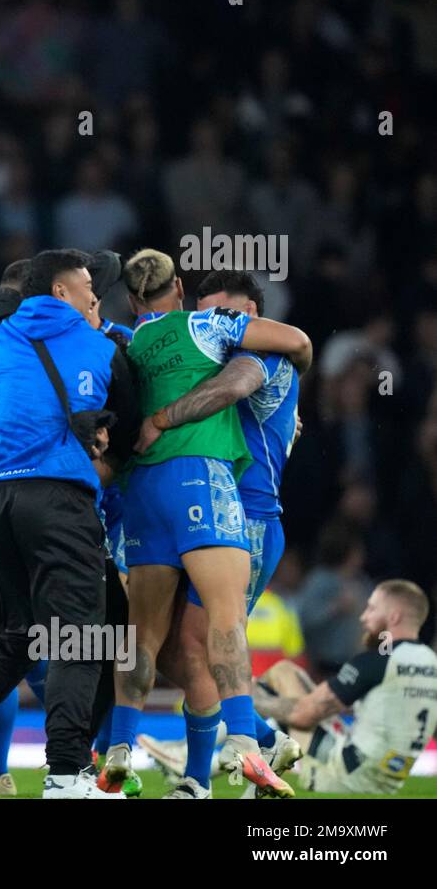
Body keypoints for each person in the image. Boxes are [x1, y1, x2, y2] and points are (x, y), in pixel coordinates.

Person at [0, 248, 140, 798]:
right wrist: (101, 431)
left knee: (24, 631)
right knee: (81, 638)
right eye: (87, 287)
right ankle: (64, 774)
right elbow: (129, 432)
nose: (94, 296)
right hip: (59, 501)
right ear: (61, 293)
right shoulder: (104, 347)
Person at [103, 249, 311, 797]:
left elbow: (264, 364)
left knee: (194, 643)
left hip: (249, 515)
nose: (217, 324)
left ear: (251, 312)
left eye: (227, 314)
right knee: (177, 649)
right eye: (204, 308)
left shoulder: (260, 360)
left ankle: (233, 755)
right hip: (206, 506)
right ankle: (248, 746)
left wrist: (161, 418)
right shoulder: (199, 341)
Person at [255, 580, 437, 795]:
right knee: (285, 672)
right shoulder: (430, 661)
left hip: (342, 778)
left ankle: (223, 744)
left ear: (394, 616)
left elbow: (302, 716)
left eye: (372, 608)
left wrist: (253, 698)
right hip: (388, 781)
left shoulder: (377, 661)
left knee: (272, 694)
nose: (363, 616)